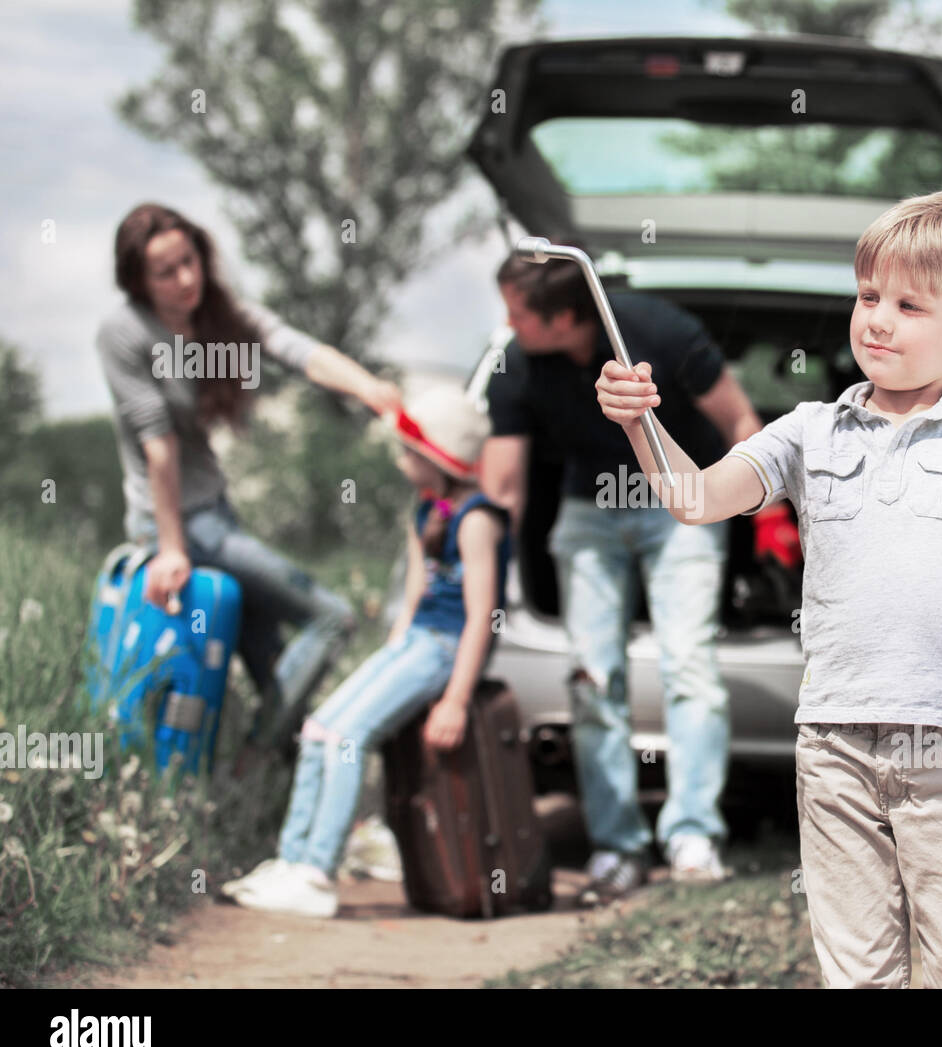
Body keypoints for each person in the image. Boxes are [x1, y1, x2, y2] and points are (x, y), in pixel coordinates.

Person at [594, 188, 942, 988]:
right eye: (869, 295)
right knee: (857, 971)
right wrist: (641, 424)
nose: (877, 319)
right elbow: (694, 497)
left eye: (910, 305)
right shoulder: (809, 430)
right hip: (831, 743)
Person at [480, 250, 763, 901]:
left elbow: (740, 423)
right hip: (590, 511)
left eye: (519, 312)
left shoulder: (661, 331)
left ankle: (694, 836)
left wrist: (762, 512)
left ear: (565, 316)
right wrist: (478, 550)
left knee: (689, 663)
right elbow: (504, 481)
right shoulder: (518, 364)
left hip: (683, 502)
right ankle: (616, 844)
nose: (509, 323)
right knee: (591, 672)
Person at [96, 203, 402, 761]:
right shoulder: (124, 333)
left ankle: (282, 787)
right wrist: (169, 548)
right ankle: (255, 758)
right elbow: (157, 446)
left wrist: (368, 388)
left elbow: (297, 349)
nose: (186, 279)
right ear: (137, 279)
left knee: (268, 656)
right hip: (174, 524)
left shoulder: (220, 315)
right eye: (166, 271)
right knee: (332, 617)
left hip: (216, 514)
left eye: (190, 261)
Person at [221, 379, 511, 917]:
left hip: (445, 649)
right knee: (318, 730)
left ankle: (317, 875)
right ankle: (292, 859)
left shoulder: (477, 521)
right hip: (416, 644)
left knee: (348, 737)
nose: (401, 461)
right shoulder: (426, 510)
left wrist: (454, 700)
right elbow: (414, 594)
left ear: (437, 455)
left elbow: (481, 617)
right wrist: (393, 650)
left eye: (409, 451)